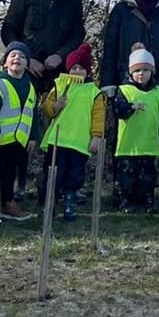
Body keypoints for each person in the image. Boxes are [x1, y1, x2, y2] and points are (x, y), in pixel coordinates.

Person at [1, 0, 85, 91]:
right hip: (25, 73)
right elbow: (9, 30)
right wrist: (26, 59)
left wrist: (60, 55)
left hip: (61, 74)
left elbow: (78, 34)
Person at [40, 43, 106, 222]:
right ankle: (49, 204)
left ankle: (69, 202)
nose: (77, 71)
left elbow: (98, 117)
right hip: (58, 139)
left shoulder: (94, 92)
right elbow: (46, 108)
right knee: (53, 173)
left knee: (74, 175)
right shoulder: (60, 85)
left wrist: (96, 137)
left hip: (79, 141)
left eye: (81, 68)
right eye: (74, 68)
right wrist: (54, 106)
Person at [0, 42, 39, 224]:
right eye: (12, 55)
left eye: (22, 56)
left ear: (27, 64)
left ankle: (8, 203)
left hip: (19, 140)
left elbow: (32, 112)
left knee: (10, 174)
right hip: (0, 141)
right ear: (5, 62)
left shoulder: (30, 86)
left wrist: (33, 136)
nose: (17, 59)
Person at [112, 44, 159, 213]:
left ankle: (148, 201)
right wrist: (130, 107)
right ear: (131, 73)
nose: (141, 74)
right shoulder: (123, 90)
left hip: (149, 143)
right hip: (129, 144)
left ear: (152, 72)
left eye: (145, 70)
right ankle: (124, 201)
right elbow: (117, 111)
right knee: (127, 176)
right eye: (137, 71)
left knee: (148, 177)